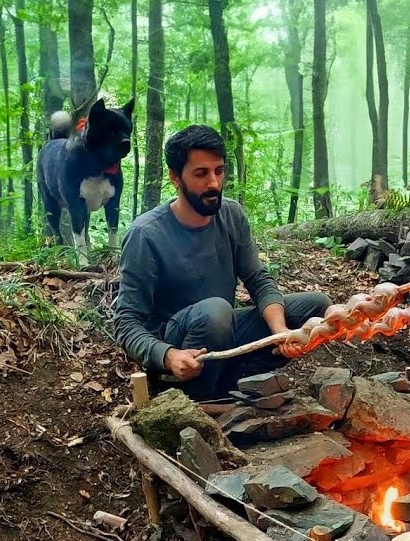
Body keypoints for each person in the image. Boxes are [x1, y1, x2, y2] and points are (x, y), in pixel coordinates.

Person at [114, 125, 331, 399]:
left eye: (219, 171)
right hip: (179, 351)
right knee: (217, 312)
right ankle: (195, 397)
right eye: (201, 174)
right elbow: (127, 321)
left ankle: (234, 383)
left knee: (315, 306)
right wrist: (168, 356)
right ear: (175, 178)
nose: (214, 183)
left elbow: (258, 279)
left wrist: (280, 332)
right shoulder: (146, 235)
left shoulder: (231, 214)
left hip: (223, 335)